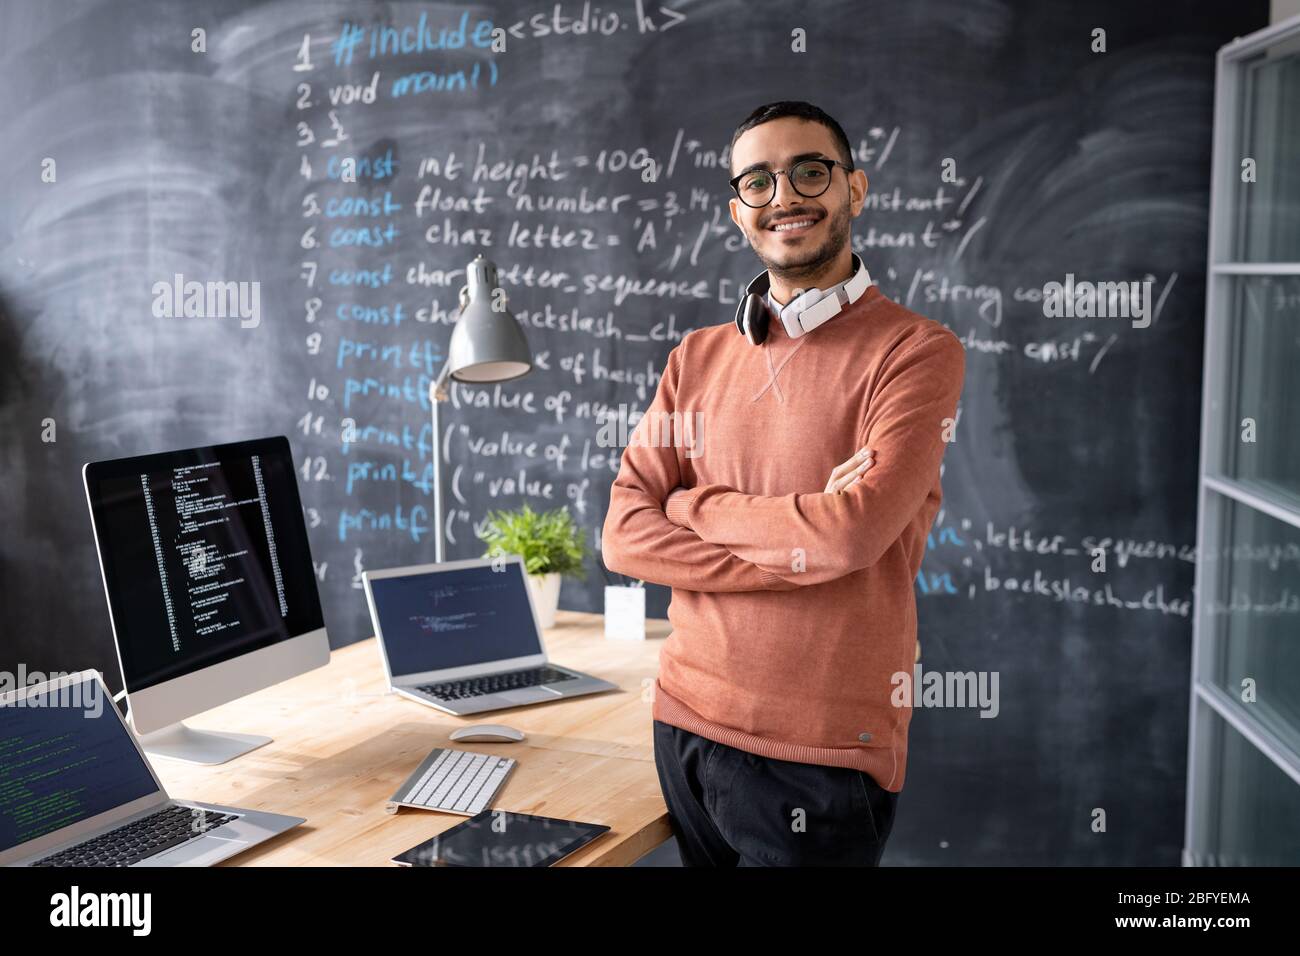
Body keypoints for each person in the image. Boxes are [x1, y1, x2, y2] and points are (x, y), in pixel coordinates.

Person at [602, 100, 966, 865]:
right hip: (685, 723)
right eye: (759, 182)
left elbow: (855, 533)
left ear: (854, 190)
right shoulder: (694, 359)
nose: (786, 196)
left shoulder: (915, 352)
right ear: (739, 213)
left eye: (810, 171)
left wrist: (693, 503)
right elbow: (625, 535)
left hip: (822, 756)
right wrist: (806, 547)